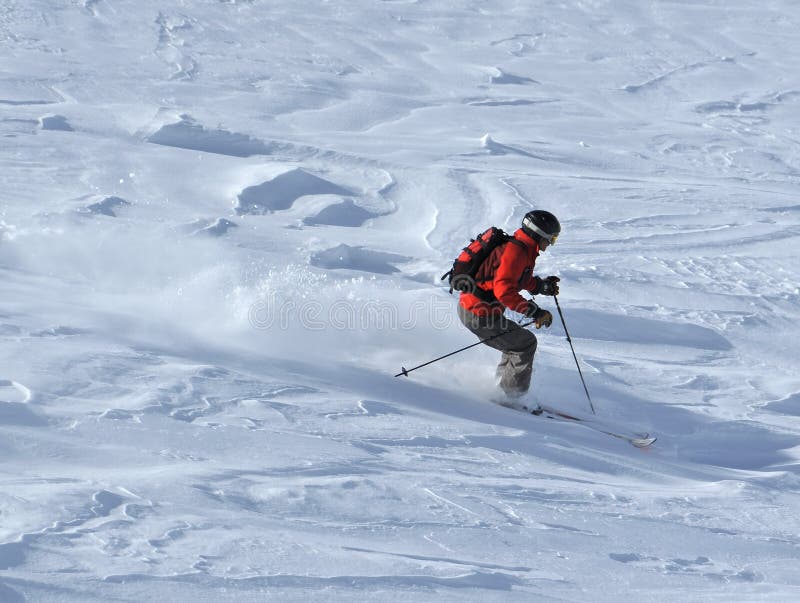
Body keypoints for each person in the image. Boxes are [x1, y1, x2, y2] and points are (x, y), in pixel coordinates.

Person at [456, 210, 561, 399]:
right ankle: (511, 397)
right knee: (526, 344)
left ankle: (502, 390)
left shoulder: (522, 248)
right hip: (479, 313)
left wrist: (540, 286)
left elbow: (517, 278)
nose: (551, 244)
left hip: (477, 309)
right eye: (551, 239)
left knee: (515, 345)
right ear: (539, 234)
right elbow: (504, 292)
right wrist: (534, 312)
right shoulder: (517, 252)